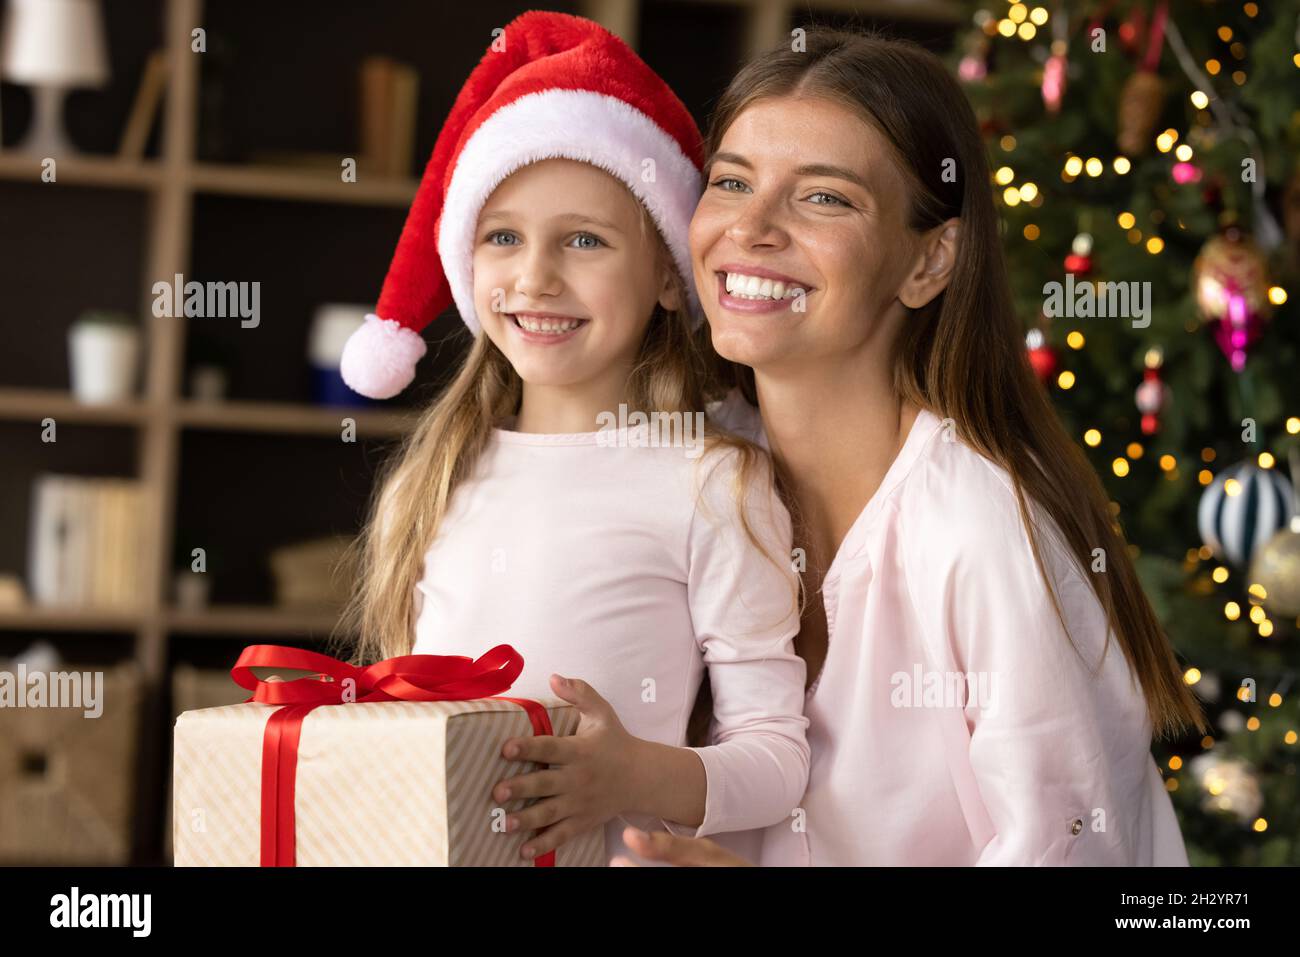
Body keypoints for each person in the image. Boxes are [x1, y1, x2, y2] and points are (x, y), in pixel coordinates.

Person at [615, 27, 1207, 866]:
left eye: (824, 197)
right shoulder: (688, 474)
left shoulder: (981, 531)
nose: (750, 227)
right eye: (732, 181)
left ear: (929, 261)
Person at [334, 11, 809, 867]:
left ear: (669, 272)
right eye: (503, 237)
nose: (534, 277)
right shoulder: (435, 476)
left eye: (584, 240)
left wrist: (630, 775)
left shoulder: (714, 481)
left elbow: (776, 757)